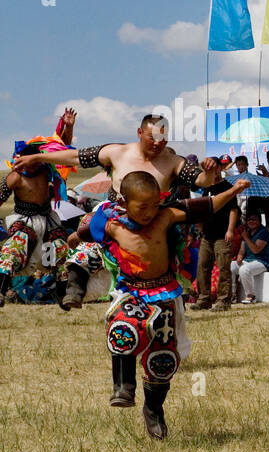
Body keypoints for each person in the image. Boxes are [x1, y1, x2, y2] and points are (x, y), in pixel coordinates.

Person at [86, 172, 249, 438]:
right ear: (125, 203)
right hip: (131, 292)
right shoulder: (112, 225)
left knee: (162, 360)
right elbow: (84, 233)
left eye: (153, 204)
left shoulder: (166, 216)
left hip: (164, 294)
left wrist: (232, 193)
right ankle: (124, 387)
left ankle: (153, 410)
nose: (149, 212)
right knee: (124, 329)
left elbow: (205, 206)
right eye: (141, 207)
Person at [12, 114, 222, 309]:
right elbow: (76, 157)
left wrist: (210, 171)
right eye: (152, 137)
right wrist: (39, 158)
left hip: (153, 222)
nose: (158, 143)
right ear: (140, 134)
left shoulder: (173, 161)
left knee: (162, 265)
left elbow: (201, 180)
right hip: (114, 215)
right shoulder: (117, 152)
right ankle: (74, 288)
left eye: (163, 138)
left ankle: (168, 305)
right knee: (87, 242)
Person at [0, 139, 73, 305]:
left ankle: (62, 295)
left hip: (48, 220)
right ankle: (1, 291)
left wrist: (68, 128)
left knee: (60, 251)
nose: (32, 166)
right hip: (24, 221)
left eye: (35, 161)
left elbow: (62, 150)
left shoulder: (47, 171)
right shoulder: (15, 176)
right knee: (13, 249)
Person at [191, 177, 239, 311]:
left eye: (215, 167)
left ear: (219, 168)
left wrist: (230, 230)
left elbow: (233, 210)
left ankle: (223, 300)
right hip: (207, 234)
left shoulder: (227, 186)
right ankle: (203, 299)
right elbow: (204, 207)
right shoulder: (206, 186)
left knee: (223, 267)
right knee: (202, 266)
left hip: (223, 234)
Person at [230, 211, 269, 302]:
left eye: (254, 219)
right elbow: (242, 249)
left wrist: (246, 237)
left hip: (263, 261)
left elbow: (256, 250)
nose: (251, 221)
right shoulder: (247, 231)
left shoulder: (263, 232)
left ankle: (251, 296)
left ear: (259, 221)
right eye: (249, 219)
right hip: (249, 260)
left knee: (244, 269)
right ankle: (232, 295)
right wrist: (240, 256)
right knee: (230, 265)